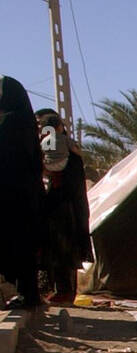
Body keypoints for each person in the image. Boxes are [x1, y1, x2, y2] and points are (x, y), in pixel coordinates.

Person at [33, 110, 91, 306]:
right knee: (63, 253)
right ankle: (64, 292)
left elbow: (53, 169)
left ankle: (64, 292)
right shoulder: (69, 146)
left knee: (61, 252)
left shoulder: (57, 144)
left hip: (62, 208)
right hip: (69, 206)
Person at [0, 77, 42, 311]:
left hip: (8, 197)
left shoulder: (9, 123)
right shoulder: (27, 124)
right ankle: (26, 295)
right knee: (22, 249)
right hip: (26, 198)